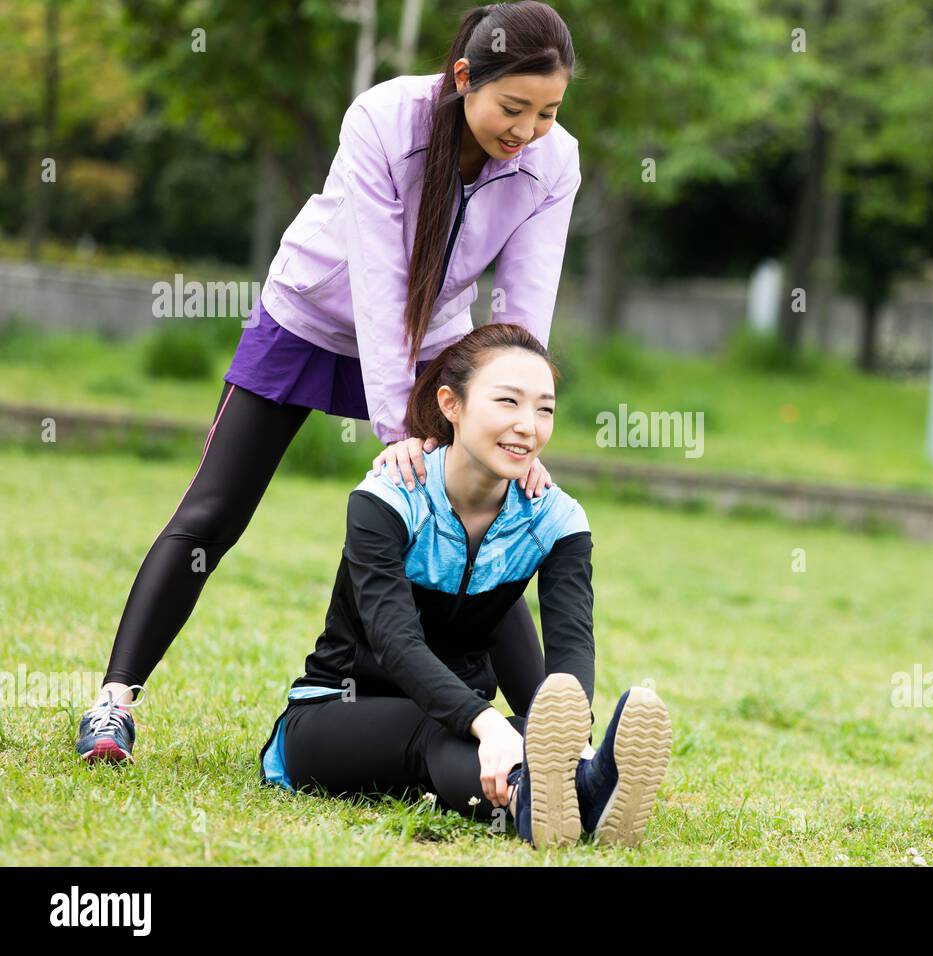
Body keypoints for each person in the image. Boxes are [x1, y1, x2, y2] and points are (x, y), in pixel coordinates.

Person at [76, 1, 583, 764]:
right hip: (308, 319)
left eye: (547, 112)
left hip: (437, 344)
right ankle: (113, 706)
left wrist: (512, 418)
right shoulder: (385, 120)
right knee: (212, 514)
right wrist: (397, 433)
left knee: (480, 514)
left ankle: (557, 745)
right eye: (513, 108)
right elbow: (381, 286)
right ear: (463, 78)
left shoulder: (555, 162)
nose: (527, 130)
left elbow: (523, 303)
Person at [257, 323, 674, 848]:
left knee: (518, 728)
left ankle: (588, 780)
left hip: (459, 721)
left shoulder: (557, 519)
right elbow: (395, 640)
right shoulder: (388, 500)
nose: (528, 426)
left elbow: (571, 650)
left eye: (544, 409)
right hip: (331, 718)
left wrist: (563, 736)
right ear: (451, 404)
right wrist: (489, 724)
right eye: (508, 402)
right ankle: (536, 798)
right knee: (449, 729)